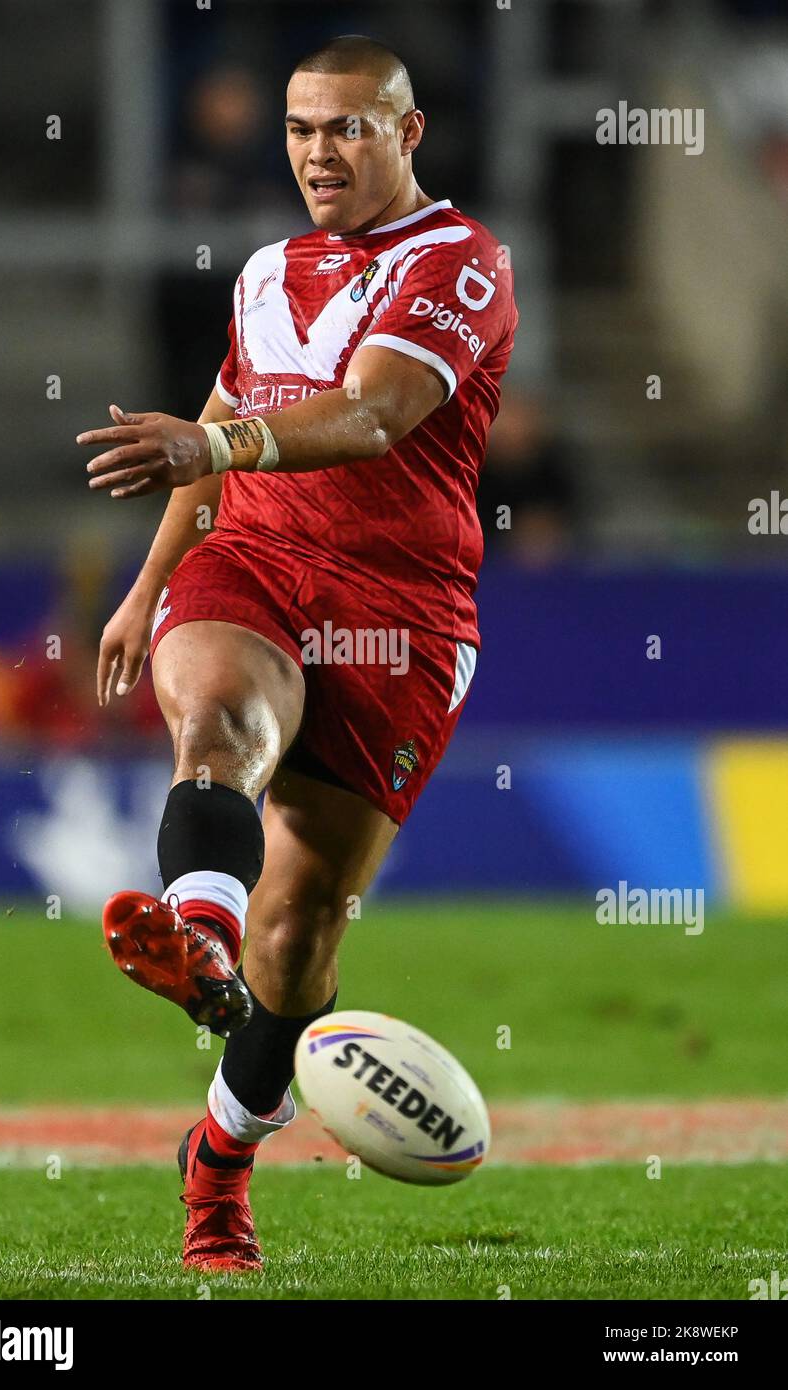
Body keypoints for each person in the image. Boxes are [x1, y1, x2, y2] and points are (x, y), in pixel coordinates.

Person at [77, 34, 518, 1274]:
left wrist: (214, 452)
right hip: (256, 558)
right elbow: (215, 425)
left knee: (303, 929)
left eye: (347, 129)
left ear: (406, 132)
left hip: (402, 607)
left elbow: (373, 415)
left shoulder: (461, 263)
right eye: (299, 129)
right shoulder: (268, 267)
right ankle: (195, 936)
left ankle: (218, 1153)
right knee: (215, 722)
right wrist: (147, 584)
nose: (318, 154)